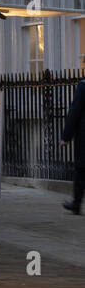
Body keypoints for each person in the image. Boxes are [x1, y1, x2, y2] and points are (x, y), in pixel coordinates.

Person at [61, 75, 85, 215]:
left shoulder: (83, 85)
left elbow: (74, 111)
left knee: (81, 170)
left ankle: (76, 204)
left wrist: (66, 136)